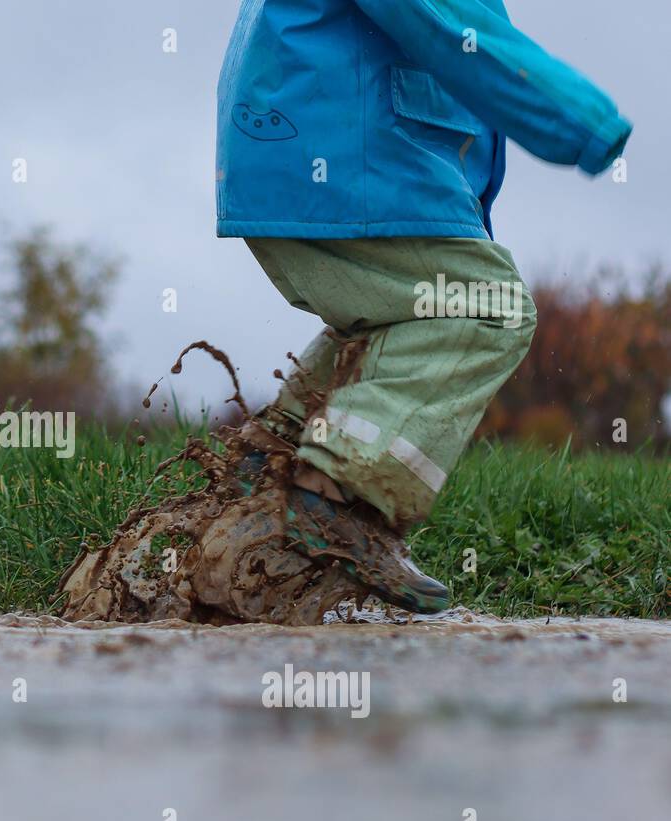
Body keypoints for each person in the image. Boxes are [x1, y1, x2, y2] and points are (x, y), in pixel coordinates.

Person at [216, 0, 632, 612]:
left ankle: (271, 460)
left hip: (302, 151)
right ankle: (340, 495)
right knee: (488, 305)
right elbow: (459, 34)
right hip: (345, 157)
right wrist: (579, 119)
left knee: (407, 313)